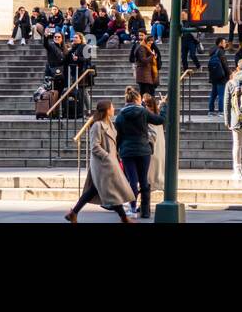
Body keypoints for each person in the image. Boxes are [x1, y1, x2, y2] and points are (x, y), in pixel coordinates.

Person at [64, 101, 133, 223]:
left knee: (97, 191)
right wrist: (107, 157)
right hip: (102, 165)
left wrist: (114, 158)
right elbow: (95, 146)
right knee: (112, 191)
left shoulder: (110, 124)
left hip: (110, 164)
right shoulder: (97, 125)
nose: (113, 108)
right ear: (107, 110)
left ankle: (73, 213)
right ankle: (124, 218)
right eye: (111, 107)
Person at [113, 86, 165, 218]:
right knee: (143, 180)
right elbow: (159, 120)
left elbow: (118, 136)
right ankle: (146, 211)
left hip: (127, 151)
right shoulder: (143, 112)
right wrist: (163, 109)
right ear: (137, 99)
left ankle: (132, 208)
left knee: (132, 180)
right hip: (143, 150)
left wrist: (116, 151)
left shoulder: (120, 116)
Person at [145, 94, 166, 193]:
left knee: (149, 177)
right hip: (158, 150)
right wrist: (163, 105)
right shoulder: (158, 117)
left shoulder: (149, 118)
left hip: (151, 150)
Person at [207, 37, 230, 115]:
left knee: (213, 94)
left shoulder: (213, 51)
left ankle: (211, 111)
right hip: (221, 76)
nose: (225, 44)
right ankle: (221, 111)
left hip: (214, 76)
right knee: (221, 94)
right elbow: (224, 64)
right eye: (224, 42)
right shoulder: (220, 51)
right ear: (220, 43)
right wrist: (229, 74)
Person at [133, 34, 159, 100]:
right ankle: (147, 107)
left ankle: (150, 107)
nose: (151, 44)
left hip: (147, 74)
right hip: (143, 75)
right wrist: (152, 56)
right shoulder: (142, 48)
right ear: (146, 41)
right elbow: (144, 60)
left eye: (152, 42)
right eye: (150, 42)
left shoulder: (146, 47)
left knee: (149, 92)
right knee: (146, 93)